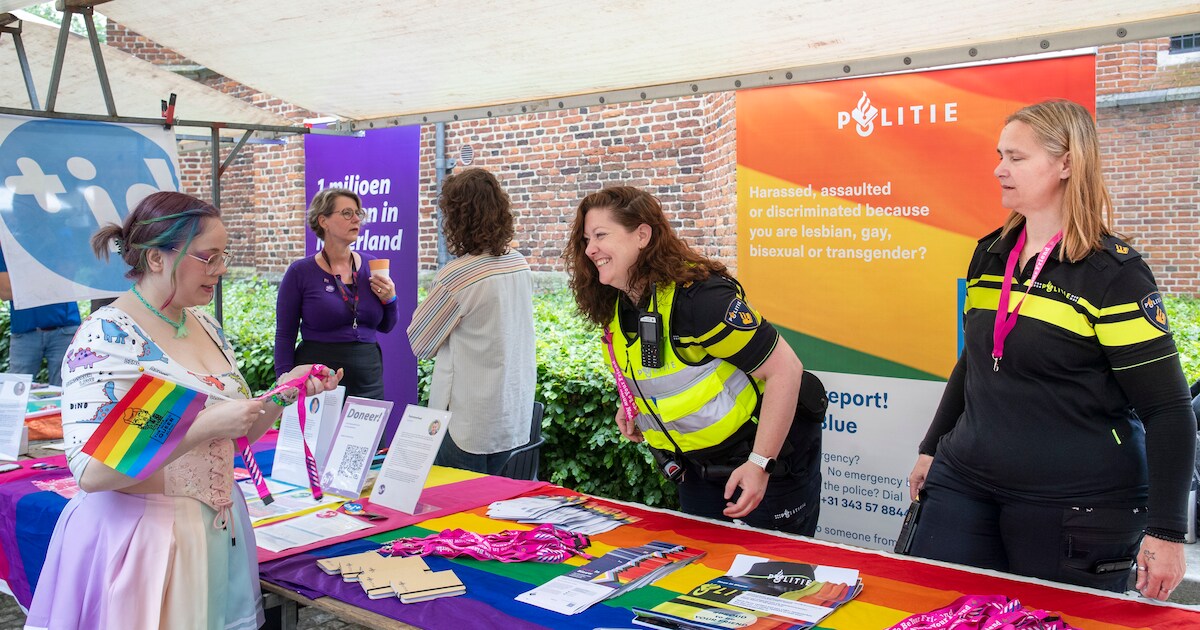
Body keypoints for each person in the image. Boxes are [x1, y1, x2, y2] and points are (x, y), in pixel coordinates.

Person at [906, 100, 1196, 599]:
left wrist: (1167, 532)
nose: (999, 169)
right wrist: (931, 447)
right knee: (934, 606)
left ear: (1067, 164)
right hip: (966, 480)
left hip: (1076, 503)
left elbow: (1168, 409)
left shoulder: (1114, 274)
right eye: (999, 154)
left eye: (1016, 157)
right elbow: (975, 363)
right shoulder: (990, 254)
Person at [24, 192, 342, 630]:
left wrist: (285, 393)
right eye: (209, 258)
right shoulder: (106, 337)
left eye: (223, 256)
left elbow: (234, 437)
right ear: (157, 259)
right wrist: (196, 429)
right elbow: (91, 471)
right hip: (143, 540)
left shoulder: (205, 324)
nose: (222, 269)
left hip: (215, 534)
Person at [563, 186, 823, 535]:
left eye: (600, 235)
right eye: (585, 239)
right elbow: (663, 374)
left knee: (771, 579)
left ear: (642, 235)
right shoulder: (619, 305)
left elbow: (786, 370)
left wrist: (760, 465)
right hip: (696, 470)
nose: (590, 249)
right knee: (706, 578)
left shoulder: (701, 299)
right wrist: (636, 406)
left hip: (768, 465)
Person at [407, 168, 536, 475]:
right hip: (511, 414)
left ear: (456, 219)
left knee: (460, 510)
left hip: (467, 421)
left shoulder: (459, 276)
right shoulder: (519, 264)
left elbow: (419, 343)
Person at [275, 187, 398, 399]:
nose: (356, 220)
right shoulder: (300, 272)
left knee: (370, 433)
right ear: (323, 221)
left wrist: (390, 300)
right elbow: (285, 334)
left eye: (358, 213)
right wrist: (285, 379)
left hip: (368, 378)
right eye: (347, 213)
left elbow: (386, 326)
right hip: (318, 379)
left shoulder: (372, 264)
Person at [0, 244, 81, 386]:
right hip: (24, 331)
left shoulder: (62, 235)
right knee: (16, 394)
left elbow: (68, 277)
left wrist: (22, 275)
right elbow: (6, 292)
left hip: (64, 329)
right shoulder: (7, 241)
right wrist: (48, 276)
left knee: (68, 392)